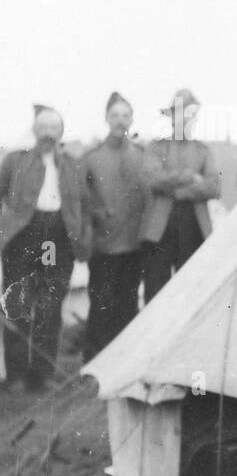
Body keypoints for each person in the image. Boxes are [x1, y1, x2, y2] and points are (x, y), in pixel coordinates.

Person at [0, 105, 90, 390]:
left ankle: (43, 374)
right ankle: (16, 374)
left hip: (55, 241)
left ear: (61, 132)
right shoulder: (15, 161)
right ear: (34, 130)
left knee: (50, 303)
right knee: (18, 302)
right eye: (42, 128)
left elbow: (84, 206)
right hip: (23, 239)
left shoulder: (73, 165)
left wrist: (81, 237)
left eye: (53, 128)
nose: (48, 133)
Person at [81, 92, 151, 360]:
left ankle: (125, 359)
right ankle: (95, 358)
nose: (120, 121)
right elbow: (79, 197)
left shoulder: (143, 155)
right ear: (106, 119)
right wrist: (98, 213)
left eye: (125, 115)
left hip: (134, 244)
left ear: (132, 119)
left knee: (128, 301)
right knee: (100, 302)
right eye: (115, 115)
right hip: (103, 244)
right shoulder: (91, 156)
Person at [140, 89, 221, 301]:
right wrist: (190, 176)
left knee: (192, 294)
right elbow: (152, 178)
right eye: (181, 114)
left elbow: (213, 186)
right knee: (156, 294)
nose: (186, 119)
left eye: (191, 115)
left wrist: (179, 192)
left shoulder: (203, 150)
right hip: (161, 231)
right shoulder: (157, 147)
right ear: (172, 117)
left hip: (194, 229)